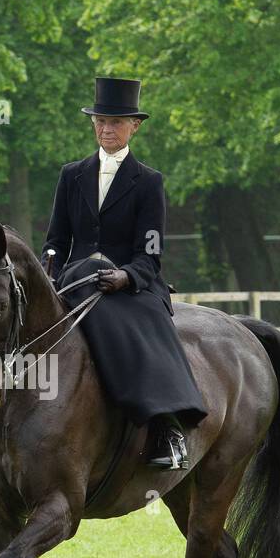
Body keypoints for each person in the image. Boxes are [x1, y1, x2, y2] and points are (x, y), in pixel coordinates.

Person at [41, 76, 207, 470]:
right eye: (100, 121)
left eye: (115, 122)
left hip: (127, 284)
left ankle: (167, 428)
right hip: (76, 281)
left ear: (135, 126)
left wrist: (126, 278)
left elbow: (150, 253)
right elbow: (54, 241)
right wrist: (50, 271)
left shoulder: (149, 182)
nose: (106, 129)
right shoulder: (71, 175)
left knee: (147, 326)